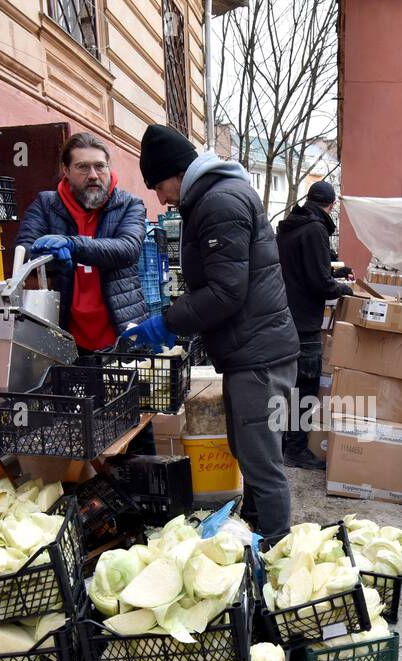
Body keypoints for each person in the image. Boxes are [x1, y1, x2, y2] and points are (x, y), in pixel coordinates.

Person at [133, 124, 300, 539]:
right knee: (250, 450)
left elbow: (226, 292)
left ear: (176, 172)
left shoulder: (218, 202)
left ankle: (276, 551)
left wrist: (167, 322)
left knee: (262, 462)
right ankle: (256, 532)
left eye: (158, 185)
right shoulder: (214, 196)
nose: (160, 197)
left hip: (258, 354)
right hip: (255, 349)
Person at [14, 132, 147, 352]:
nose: (93, 175)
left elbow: (128, 249)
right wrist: (52, 260)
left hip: (120, 330)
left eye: (100, 166)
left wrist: (73, 245)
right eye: (83, 167)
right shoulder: (46, 205)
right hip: (63, 333)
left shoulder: (129, 205)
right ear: (65, 170)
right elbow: (24, 251)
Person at [275, 180, 352, 470]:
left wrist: (336, 270)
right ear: (331, 205)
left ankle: (283, 443)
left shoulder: (289, 227)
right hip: (305, 322)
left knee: (288, 385)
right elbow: (319, 282)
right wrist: (342, 288)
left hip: (282, 318)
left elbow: (301, 267)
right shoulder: (316, 229)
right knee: (306, 386)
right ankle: (296, 449)